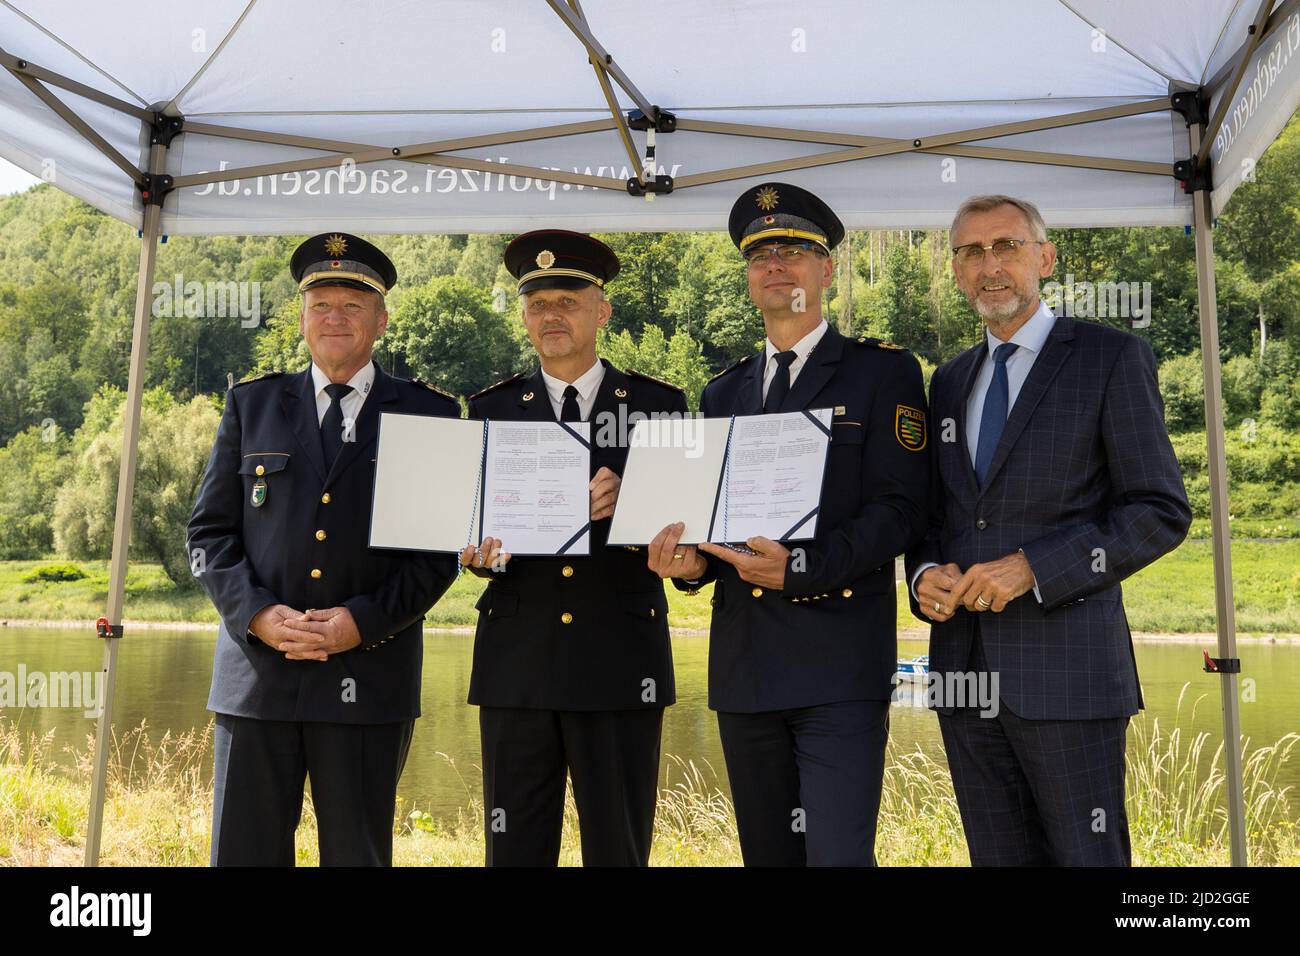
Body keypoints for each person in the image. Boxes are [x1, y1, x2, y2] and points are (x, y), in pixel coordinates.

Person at [648, 183, 931, 866]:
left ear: (826, 271)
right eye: (761, 255)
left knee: (835, 856)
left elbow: (904, 510)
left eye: (795, 252)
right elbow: (718, 524)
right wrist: (691, 567)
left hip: (838, 665)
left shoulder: (882, 373)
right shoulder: (723, 391)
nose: (776, 265)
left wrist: (803, 568)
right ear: (749, 277)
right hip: (746, 669)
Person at [905, 195, 1192, 866]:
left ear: (1044, 257)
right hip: (962, 673)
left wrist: (1035, 567)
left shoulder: (1109, 358)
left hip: (1070, 674)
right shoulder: (947, 382)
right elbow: (933, 519)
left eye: (1005, 246)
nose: (989, 266)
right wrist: (925, 574)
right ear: (955, 269)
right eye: (971, 252)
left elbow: (1159, 511)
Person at [187, 232, 460, 866]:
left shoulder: (429, 416)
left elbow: (437, 555)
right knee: (243, 855)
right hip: (256, 678)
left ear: (382, 320)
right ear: (302, 317)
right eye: (320, 304)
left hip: (368, 678)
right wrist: (256, 614)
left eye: (353, 305)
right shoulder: (251, 404)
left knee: (357, 856)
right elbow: (207, 535)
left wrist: (358, 624)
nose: (334, 318)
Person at [461, 229, 687, 866]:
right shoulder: (489, 410)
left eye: (567, 300)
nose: (550, 315)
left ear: (602, 311)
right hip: (518, 665)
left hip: (619, 664)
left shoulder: (657, 406)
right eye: (537, 304)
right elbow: (475, 539)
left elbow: (686, 543)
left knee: (618, 850)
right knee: (514, 853)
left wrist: (636, 504)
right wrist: (477, 553)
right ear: (524, 317)